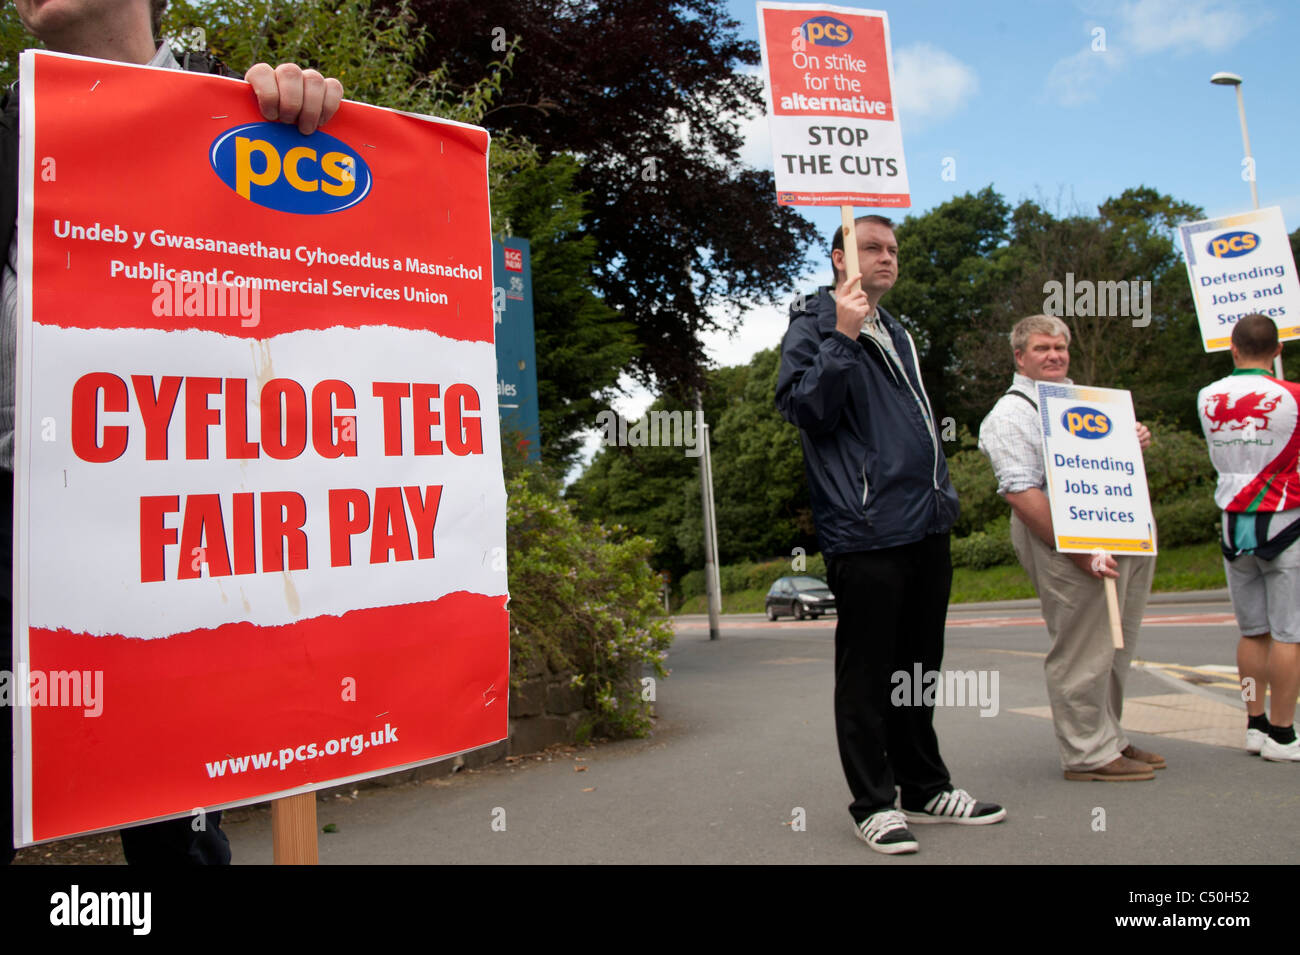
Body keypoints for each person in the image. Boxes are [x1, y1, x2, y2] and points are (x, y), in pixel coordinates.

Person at [3, 0, 343, 865]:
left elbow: (322, 300)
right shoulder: (10, 133)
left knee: (180, 841)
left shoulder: (252, 120)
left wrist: (323, 136)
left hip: (178, 543)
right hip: (15, 541)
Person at [775, 215, 1005, 855]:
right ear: (838, 258)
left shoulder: (898, 330)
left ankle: (924, 787)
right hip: (866, 528)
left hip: (925, 521)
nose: (887, 258)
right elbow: (806, 410)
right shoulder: (813, 325)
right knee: (869, 674)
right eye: (871, 247)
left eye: (893, 249)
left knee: (917, 668)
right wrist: (843, 336)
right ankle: (872, 803)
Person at [978, 314, 1161, 781]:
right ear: (1020, 357)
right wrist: (1078, 550)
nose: (1055, 355)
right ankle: (1086, 753)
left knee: (1116, 643)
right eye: (1043, 348)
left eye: (1060, 347)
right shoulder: (1012, 414)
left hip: (1118, 527)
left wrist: (1132, 438)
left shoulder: (1079, 399)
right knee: (1082, 643)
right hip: (1062, 534)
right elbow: (1021, 492)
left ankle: (1109, 736)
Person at [1196, 313, 1300, 762]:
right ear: (1278, 351)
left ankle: (1254, 725)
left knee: (1252, 632)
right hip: (1285, 518)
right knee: (1288, 634)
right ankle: (1283, 733)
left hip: (1231, 521)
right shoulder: (1294, 395)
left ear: (1232, 349)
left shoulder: (1206, 397)